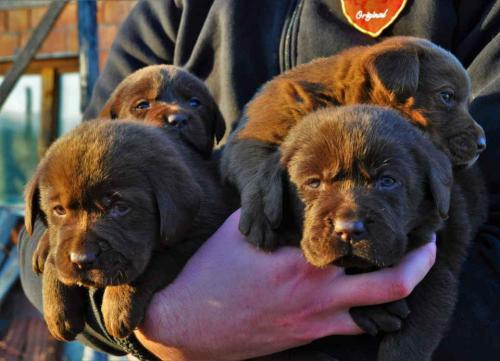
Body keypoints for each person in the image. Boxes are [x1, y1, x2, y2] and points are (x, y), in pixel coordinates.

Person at [18, 0, 500, 360]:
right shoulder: (179, 8)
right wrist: (158, 322)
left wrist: (314, 333)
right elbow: (49, 222)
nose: (169, 117)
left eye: (192, 106)